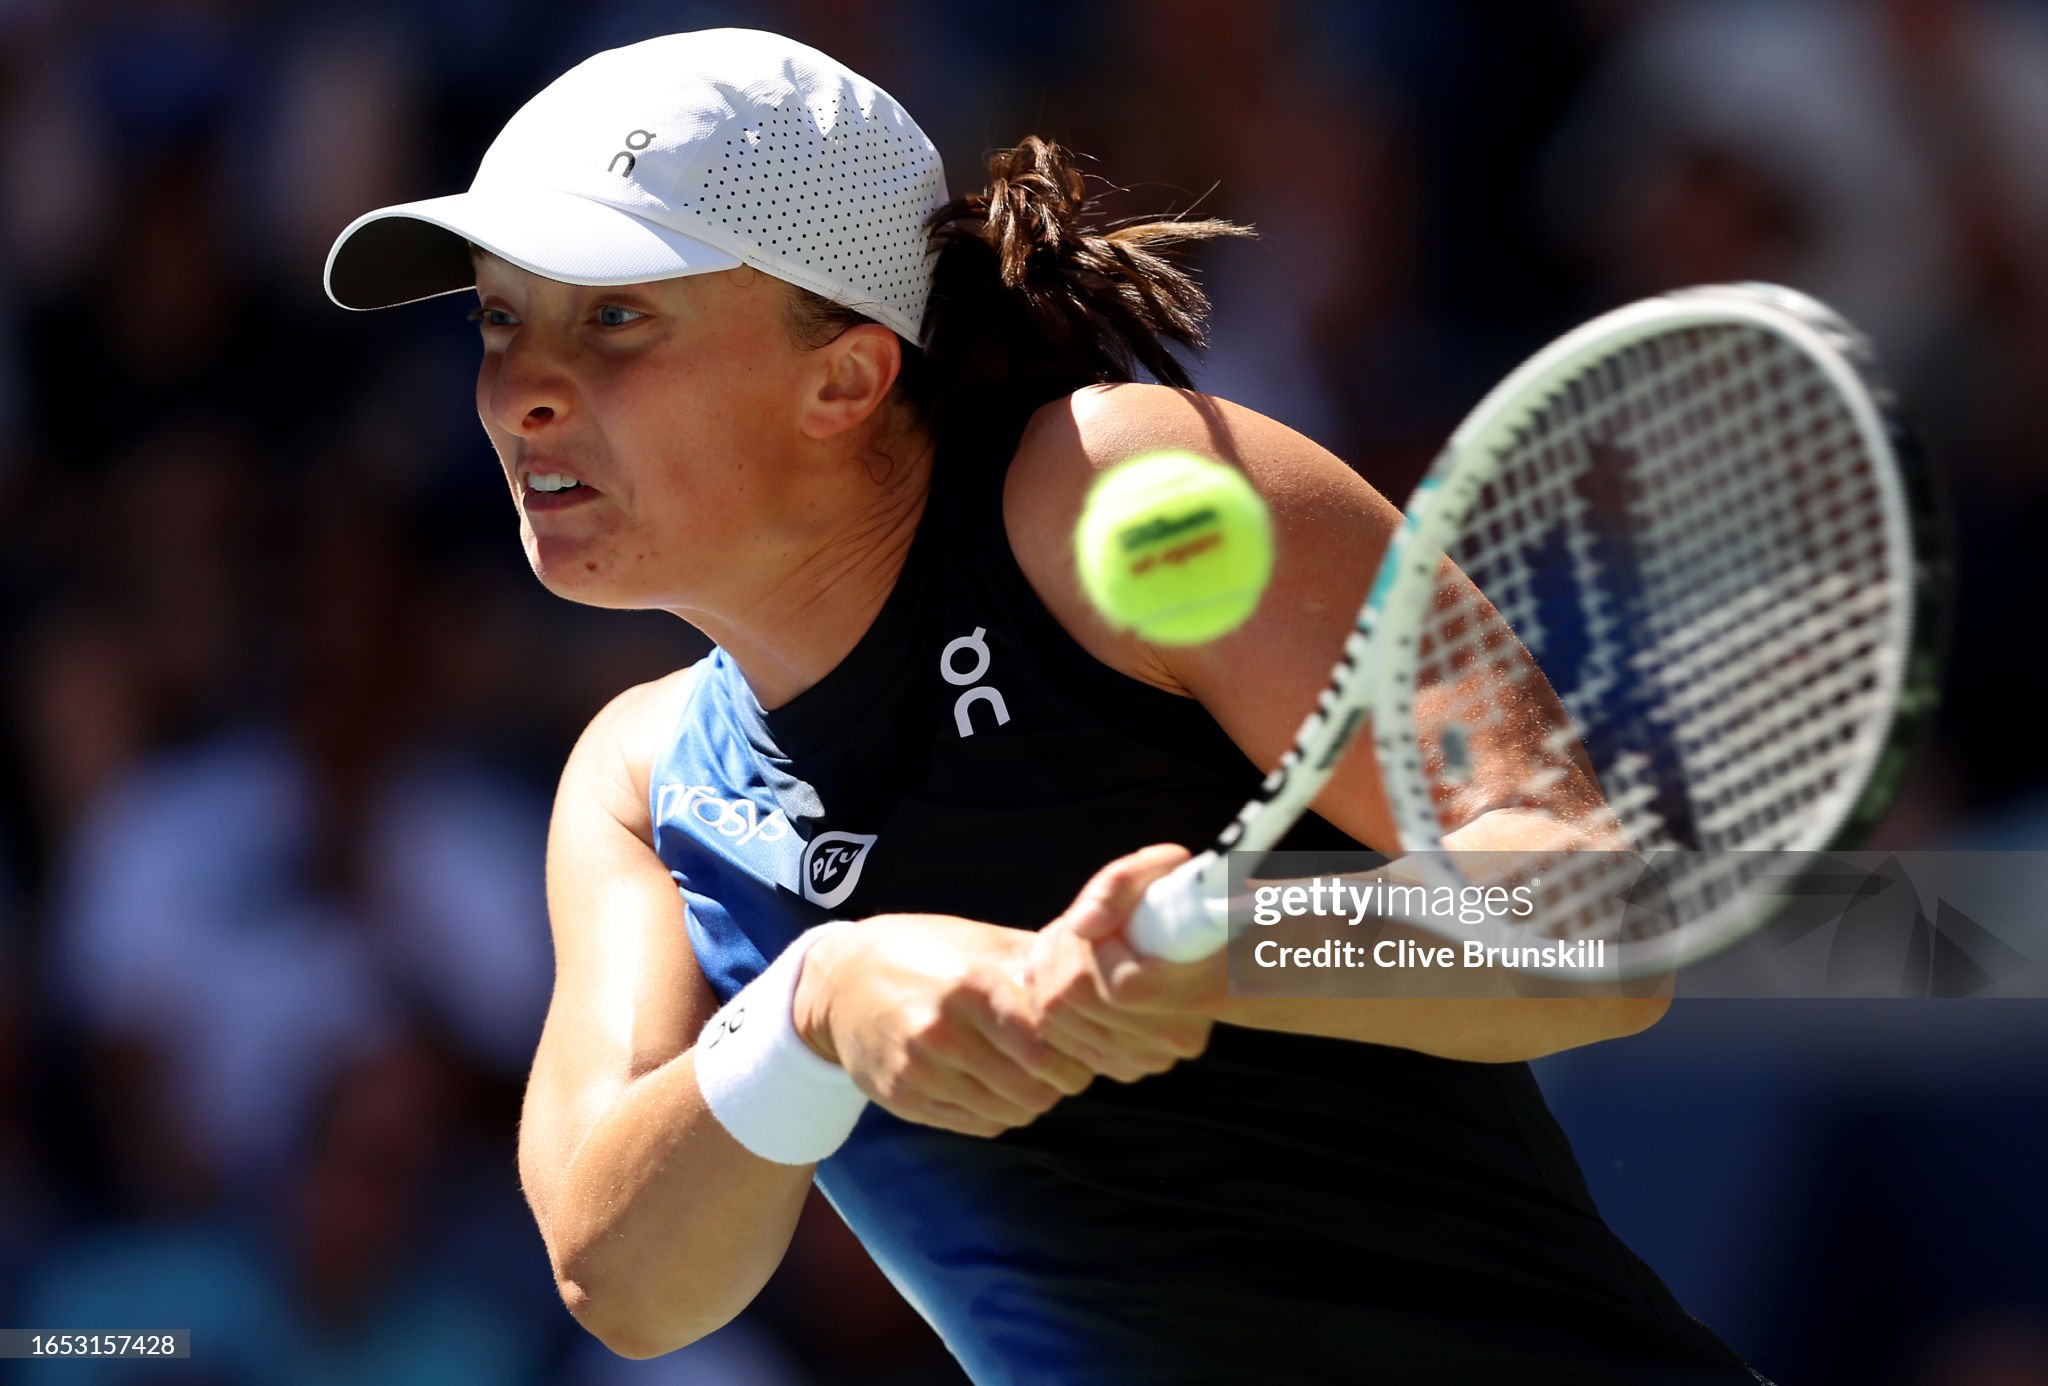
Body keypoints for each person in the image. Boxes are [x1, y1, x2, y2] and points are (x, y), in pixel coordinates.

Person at [325, 29, 1770, 1385]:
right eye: (502, 320)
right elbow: (621, 1280)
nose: (520, 390)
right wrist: (812, 1011)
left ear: (846, 374)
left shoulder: (1123, 494)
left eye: (618, 318)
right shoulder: (637, 781)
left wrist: (1218, 939)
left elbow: (1597, 925)